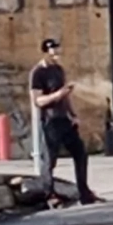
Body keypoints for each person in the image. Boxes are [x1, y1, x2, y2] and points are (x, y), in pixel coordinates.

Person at [31, 39, 97, 205]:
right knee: (50, 159)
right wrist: (58, 94)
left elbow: (66, 96)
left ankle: (84, 191)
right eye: (53, 51)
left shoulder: (59, 70)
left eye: (57, 50)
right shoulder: (38, 73)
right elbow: (38, 101)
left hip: (64, 119)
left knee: (80, 152)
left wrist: (73, 114)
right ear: (45, 52)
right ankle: (49, 193)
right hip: (50, 120)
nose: (56, 54)